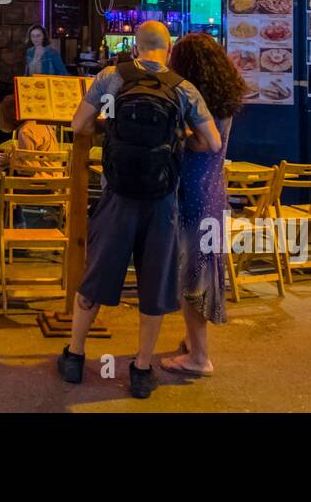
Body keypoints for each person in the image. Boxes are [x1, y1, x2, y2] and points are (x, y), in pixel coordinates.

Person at [56, 21, 219, 399]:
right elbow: (211, 142)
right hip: (161, 201)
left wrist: (112, 127)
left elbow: (78, 124)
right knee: (154, 283)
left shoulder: (111, 77)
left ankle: (75, 356)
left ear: (135, 47)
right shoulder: (183, 88)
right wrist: (177, 139)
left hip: (117, 196)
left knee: (97, 274)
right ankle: (142, 370)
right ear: (168, 47)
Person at [161, 32, 245, 378]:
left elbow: (198, 145)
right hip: (213, 190)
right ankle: (191, 343)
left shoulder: (193, 102)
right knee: (204, 270)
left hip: (192, 192)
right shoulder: (224, 99)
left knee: (190, 276)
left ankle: (199, 357)